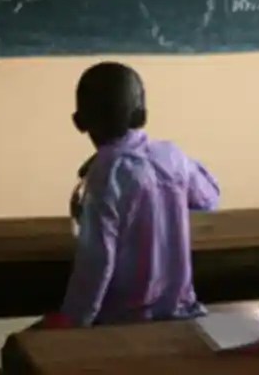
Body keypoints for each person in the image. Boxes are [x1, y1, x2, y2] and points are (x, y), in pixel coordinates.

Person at [38, 62, 219, 329]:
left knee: (16, 347)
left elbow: (97, 261)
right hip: (182, 315)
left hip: (124, 323)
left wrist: (74, 320)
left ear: (79, 122)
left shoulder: (104, 175)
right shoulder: (172, 155)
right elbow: (210, 198)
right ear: (142, 115)